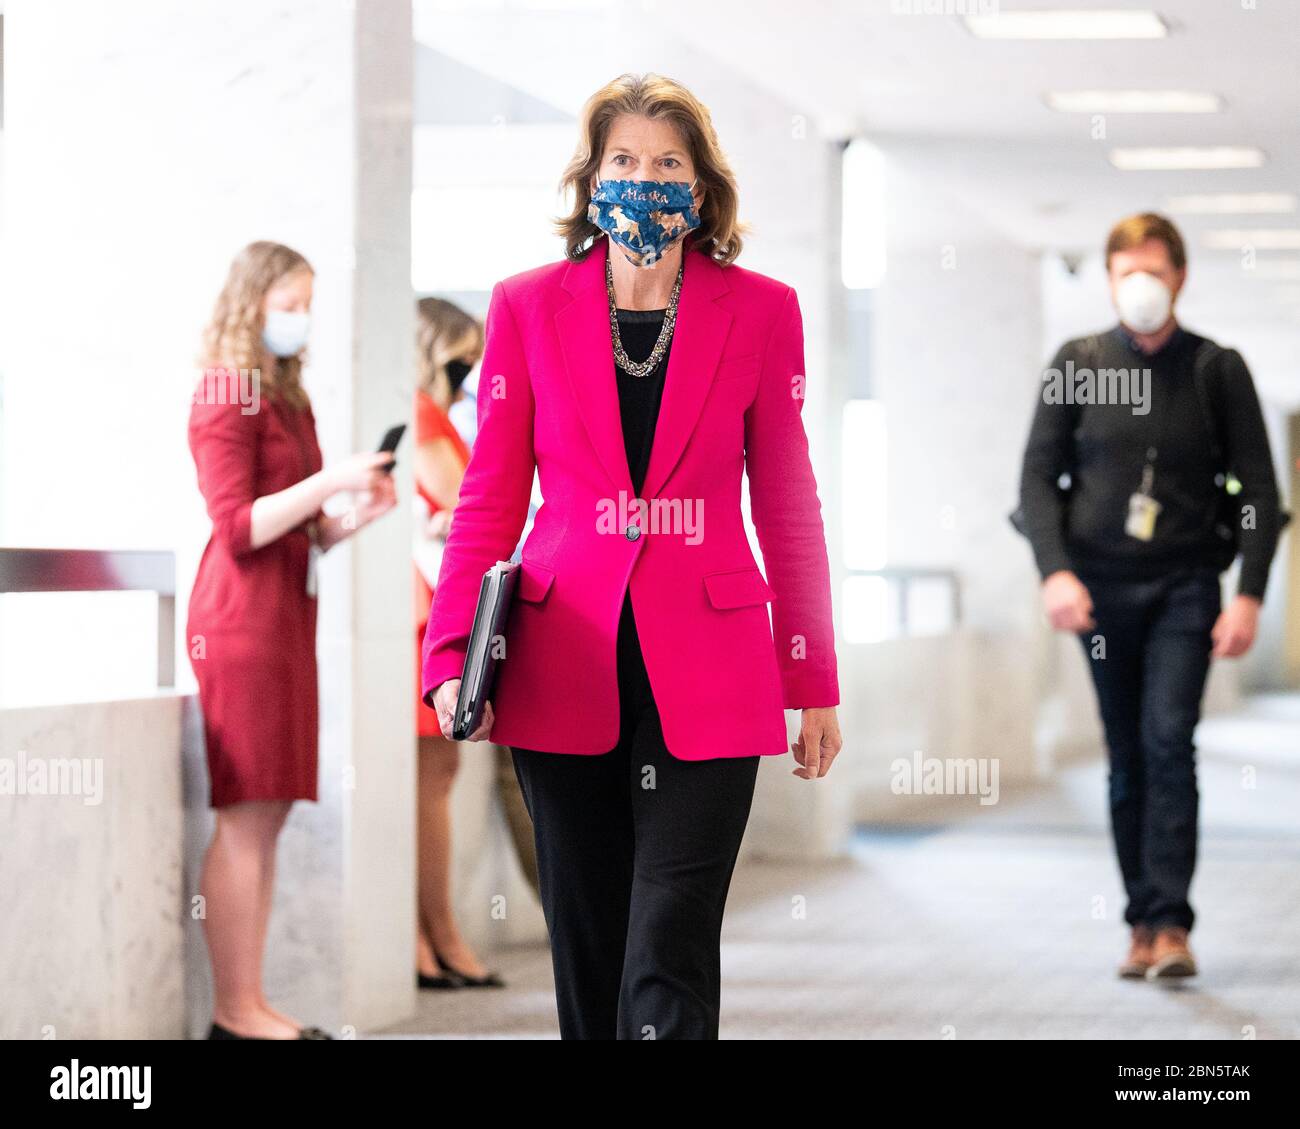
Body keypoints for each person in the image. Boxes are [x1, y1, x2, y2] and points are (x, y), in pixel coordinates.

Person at [421, 73, 843, 1040]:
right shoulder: (526, 307)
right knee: (592, 942)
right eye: (624, 160)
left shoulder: (763, 309)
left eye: (667, 163)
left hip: (714, 665)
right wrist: (449, 657)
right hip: (562, 658)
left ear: (701, 187)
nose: (643, 179)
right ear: (591, 175)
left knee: (670, 940)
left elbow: (787, 504)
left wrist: (809, 674)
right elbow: (489, 497)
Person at [1016, 213, 1284, 981]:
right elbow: (1036, 476)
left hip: (1185, 587)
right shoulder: (1078, 361)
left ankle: (1170, 923)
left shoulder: (1216, 369)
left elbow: (1259, 490)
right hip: (1098, 592)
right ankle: (1139, 920)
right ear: (1108, 279)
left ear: (1180, 278)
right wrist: (1054, 571)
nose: (1141, 285)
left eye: (1155, 271)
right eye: (1126, 271)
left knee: (1170, 740)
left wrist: (1250, 594)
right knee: (1127, 750)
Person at [188, 241, 397, 1039]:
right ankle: (234, 1009)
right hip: (238, 622)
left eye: (306, 302)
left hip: (283, 615)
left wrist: (348, 516)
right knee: (246, 813)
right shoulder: (224, 392)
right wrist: (330, 481)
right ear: (251, 302)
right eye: (289, 301)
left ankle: (250, 1001)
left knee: (267, 814)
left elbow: (296, 533)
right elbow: (236, 526)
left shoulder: (285, 394)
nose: (300, 317)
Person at [410, 297, 504, 989]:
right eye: (459, 353)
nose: (467, 368)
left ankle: (432, 933)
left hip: (434, 606)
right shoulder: (424, 415)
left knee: (433, 780)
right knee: (429, 781)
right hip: (426, 615)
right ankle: (432, 934)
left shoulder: (433, 415)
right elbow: (469, 503)